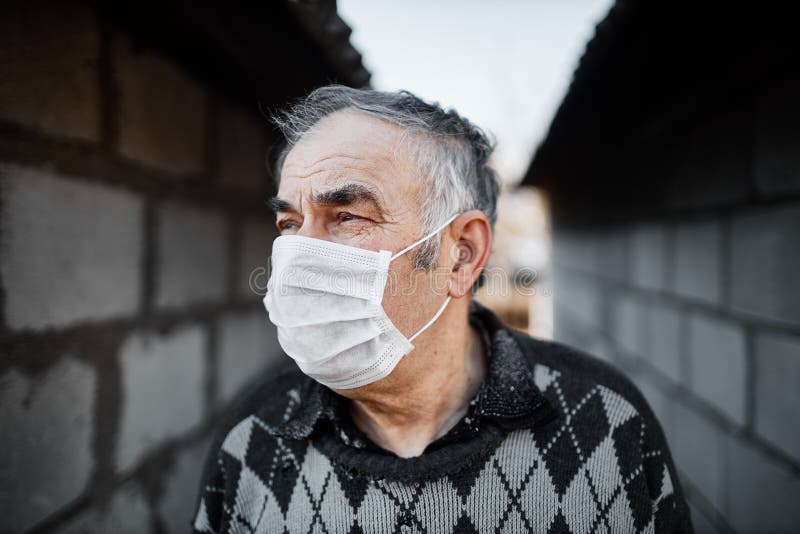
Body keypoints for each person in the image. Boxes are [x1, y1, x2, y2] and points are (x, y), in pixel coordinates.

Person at [192, 85, 692, 533]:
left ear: (461, 254)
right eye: (290, 224)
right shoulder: (255, 434)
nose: (299, 258)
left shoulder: (605, 423)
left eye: (346, 216)